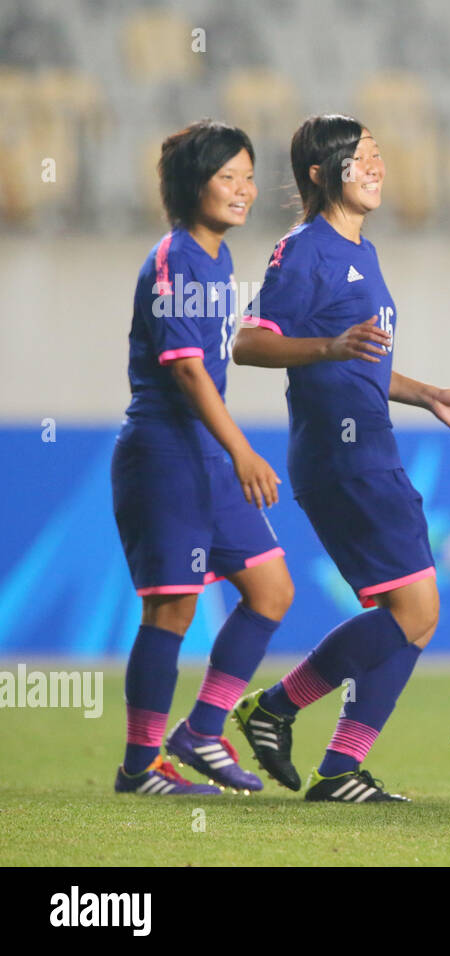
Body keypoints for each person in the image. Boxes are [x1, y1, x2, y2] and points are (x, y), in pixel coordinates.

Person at [230, 115, 450, 803]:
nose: (377, 168)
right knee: (416, 612)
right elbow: (250, 344)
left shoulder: (362, 252)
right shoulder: (305, 250)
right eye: (362, 158)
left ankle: (337, 766)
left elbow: (361, 359)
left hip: (369, 449)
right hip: (340, 457)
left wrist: (428, 392)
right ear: (321, 174)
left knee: (410, 615)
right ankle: (278, 709)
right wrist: (328, 347)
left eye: (379, 156)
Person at [112, 120, 292, 797]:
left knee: (272, 591)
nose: (244, 190)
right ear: (194, 184)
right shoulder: (176, 257)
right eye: (228, 178)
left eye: (248, 177)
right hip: (164, 455)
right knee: (172, 612)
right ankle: (139, 766)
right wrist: (243, 449)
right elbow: (187, 371)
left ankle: (202, 732)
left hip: (205, 456)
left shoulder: (217, 258)